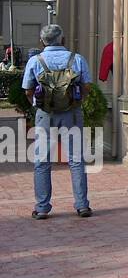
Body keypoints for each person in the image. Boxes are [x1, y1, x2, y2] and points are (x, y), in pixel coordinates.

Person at [24, 24, 92, 220]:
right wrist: (76, 102)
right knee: (76, 159)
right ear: (62, 39)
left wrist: (38, 105)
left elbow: (28, 90)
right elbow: (86, 86)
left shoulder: (35, 61)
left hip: (45, 114)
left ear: (42, 41)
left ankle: (42, 207)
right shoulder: (76, 59)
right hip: (72, 113)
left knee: (42, 161)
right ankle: (82, 205)